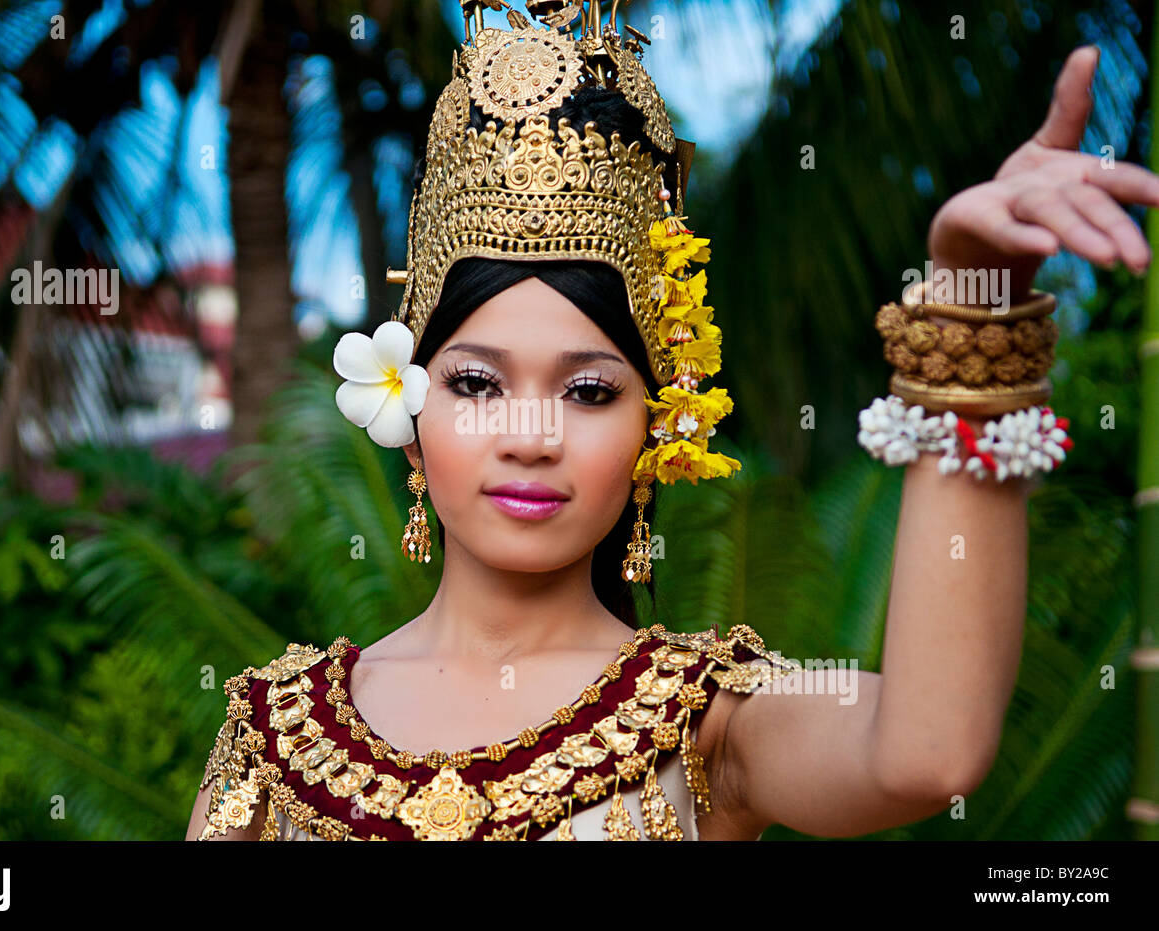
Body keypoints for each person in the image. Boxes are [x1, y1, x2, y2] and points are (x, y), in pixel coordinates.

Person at [186, 2, 1159, 842]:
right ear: (411, 397)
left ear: (660, 420)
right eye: (479, 383)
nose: (531, 433)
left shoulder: (707, 721)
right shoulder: (274, 734)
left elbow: (924, 750)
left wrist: (971, 315)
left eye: (590, 390)